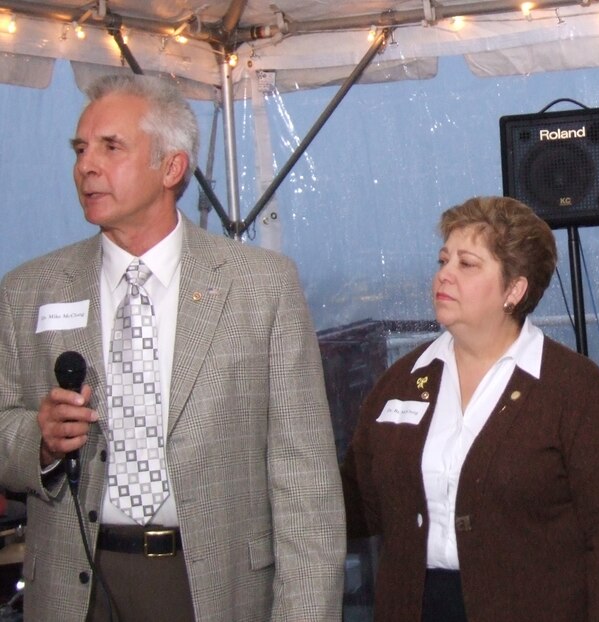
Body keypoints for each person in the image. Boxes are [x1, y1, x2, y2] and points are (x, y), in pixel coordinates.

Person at [0, 74, 345, 621]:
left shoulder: (261, 287)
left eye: (111, 147)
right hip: (74, 588)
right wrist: (37, 444)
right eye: (81, 149)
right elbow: (2, 425)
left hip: (212, 586)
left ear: (171, 167)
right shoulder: (28, 291)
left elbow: (307, 484)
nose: (86, 165)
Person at [340, 196, 599, 621]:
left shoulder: (575, 391)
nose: (444, 275)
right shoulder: (404, 380)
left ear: (514, 289)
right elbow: (355, 501)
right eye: (443, 260)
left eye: (466, 264)